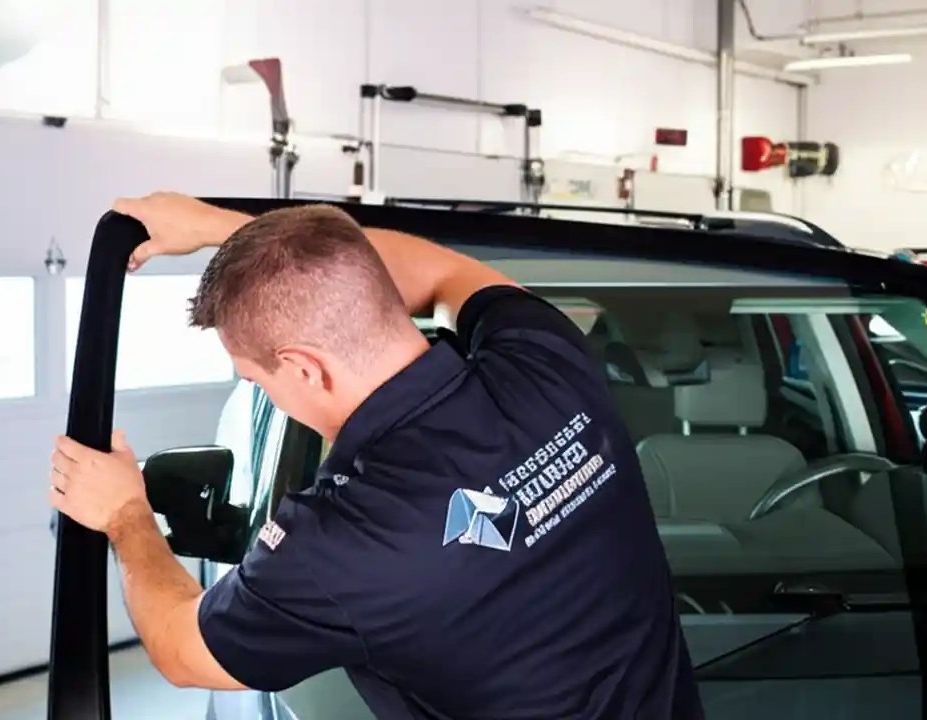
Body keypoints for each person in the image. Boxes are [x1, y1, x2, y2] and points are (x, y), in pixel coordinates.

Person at [49, 192, 704, 719]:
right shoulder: (545, 360)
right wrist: (222, 226)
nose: (263, 394)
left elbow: (184, 650)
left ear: (301, 368)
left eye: (258, 380)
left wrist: (125, 514)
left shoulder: (340, 541)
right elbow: (442, 269)